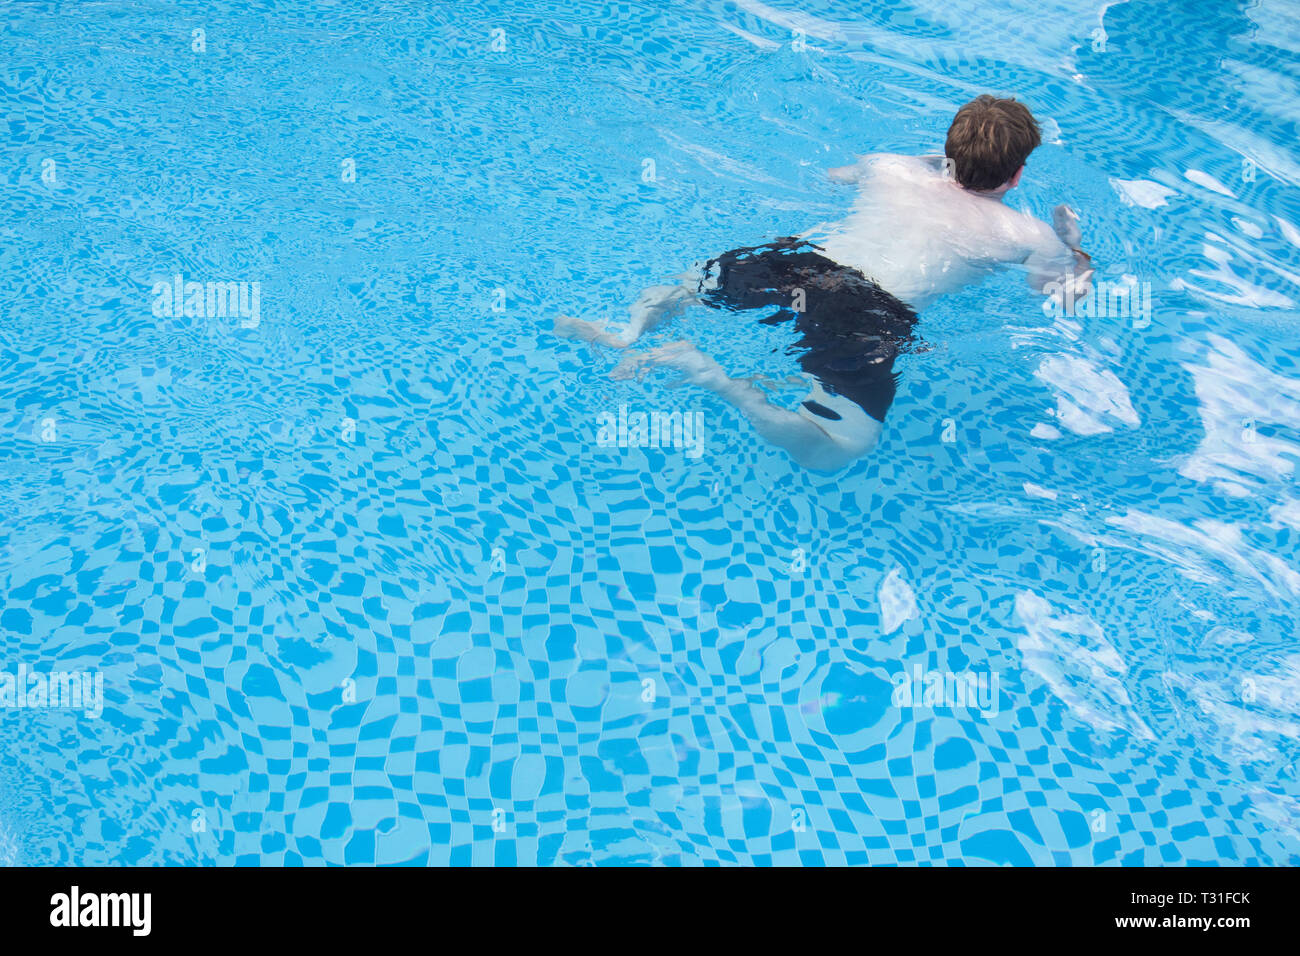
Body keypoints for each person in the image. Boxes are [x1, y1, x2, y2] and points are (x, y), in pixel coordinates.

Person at [555, 94, 1093, 471]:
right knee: (836, 448)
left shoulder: (889, 167)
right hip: (868, 311)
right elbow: (1060, 294)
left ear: (948, 148)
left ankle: (628, 330)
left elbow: (836, 179)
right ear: (1019, 175)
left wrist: (933, 164)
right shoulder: (1024, 232)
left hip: (802, 261)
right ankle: (710, 376)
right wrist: (1074, 246)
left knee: (692, 283)